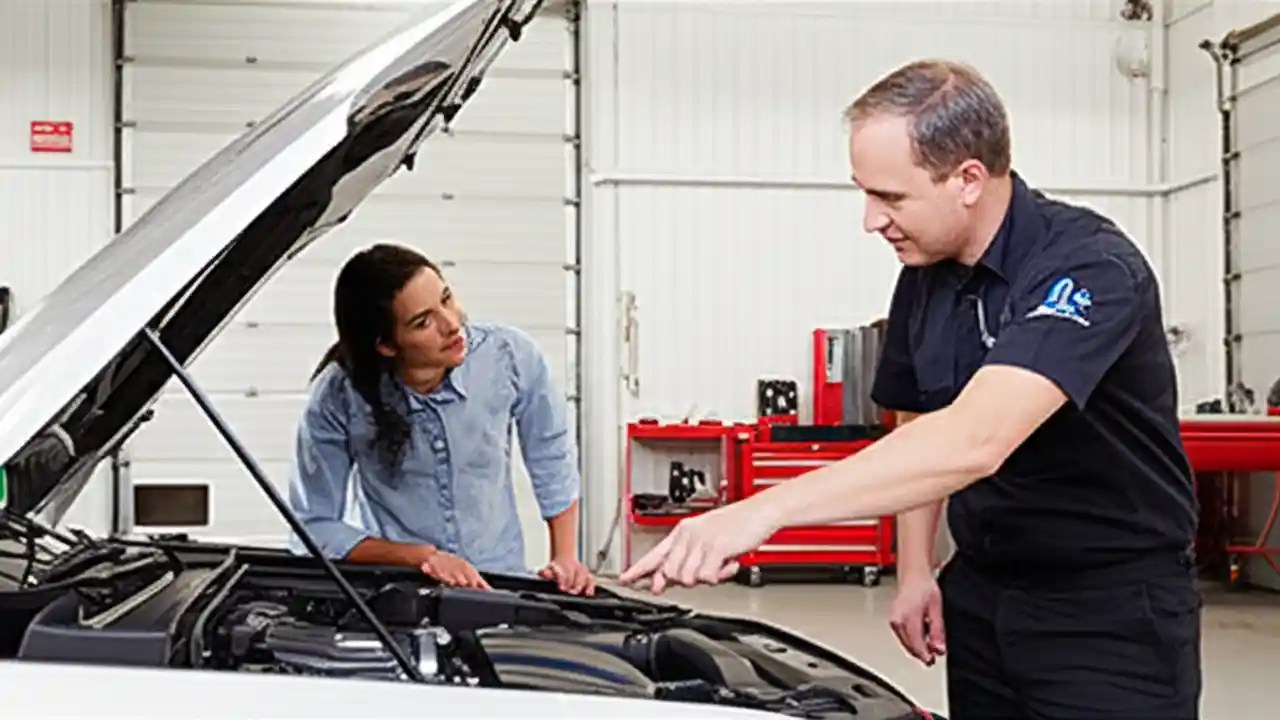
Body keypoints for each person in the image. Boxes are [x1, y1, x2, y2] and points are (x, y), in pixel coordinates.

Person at [619, 59, 1202, 719]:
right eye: (864, 193)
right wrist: (917, 568)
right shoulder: (928, 268)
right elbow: (918, 414)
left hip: (1108, 614)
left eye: (890, 198)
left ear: (968, 180)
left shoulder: (1088, 269)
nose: (871, 220)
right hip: (982, 593)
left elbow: (974, 440)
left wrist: (759, 512)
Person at [288, 242, 595, 596]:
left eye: (447, 298)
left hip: (499, 584)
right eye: (423, 322)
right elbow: (313, 526)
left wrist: (566, 557)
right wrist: (421, 558)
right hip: (396, 593)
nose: (452, 324)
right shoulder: (337, 398)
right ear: (386, 345)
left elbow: (551, 457)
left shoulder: (510, 357)